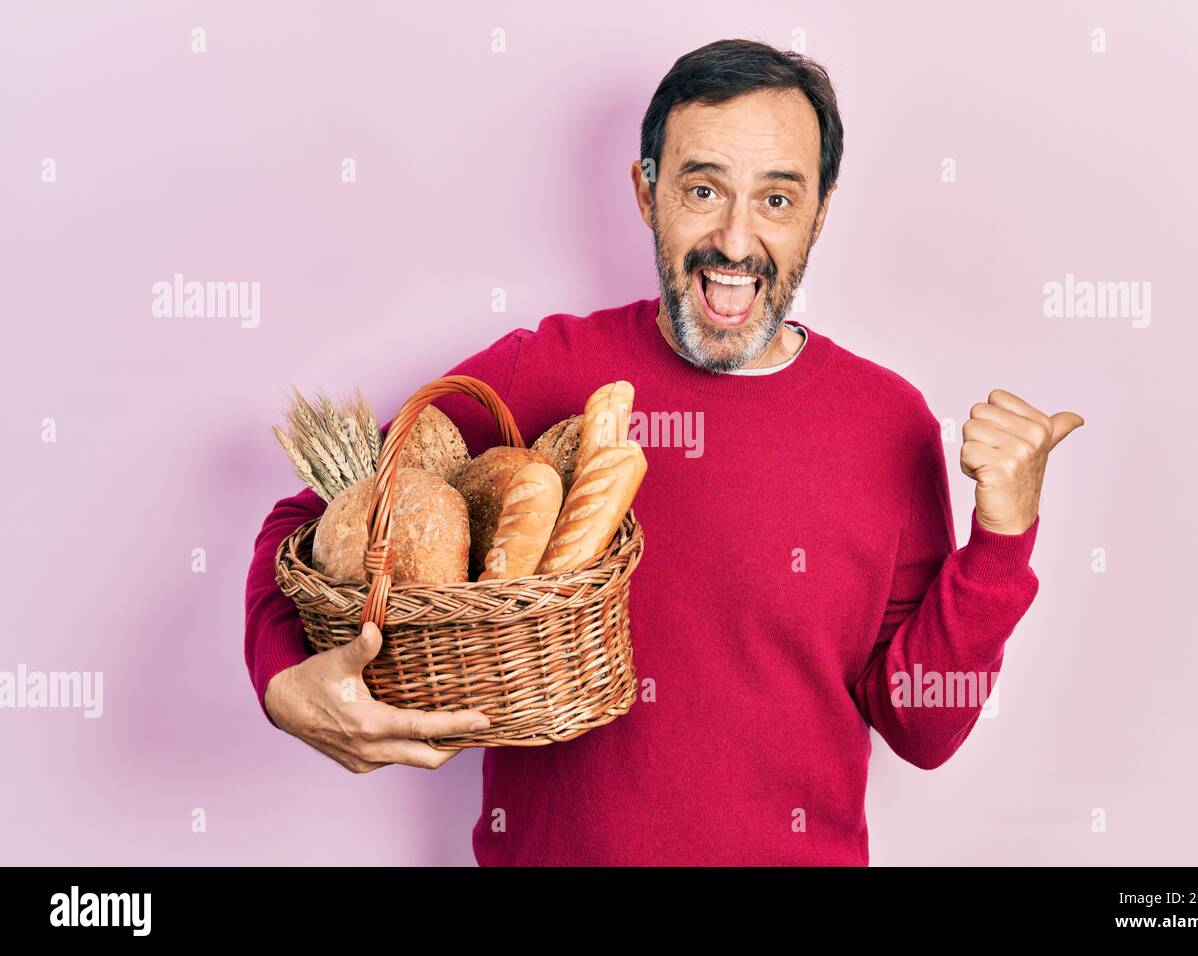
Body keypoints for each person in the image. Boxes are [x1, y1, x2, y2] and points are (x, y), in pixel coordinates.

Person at [244, 38, 1083, 866]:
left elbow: (920, 726)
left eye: (778, 201)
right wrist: (285, 680)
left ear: (821, 211)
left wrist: (1002, 545)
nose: (735, 239)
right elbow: (318, 510)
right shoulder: (545, 372)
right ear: (647, 194)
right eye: (703, 188)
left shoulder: (886, 423)